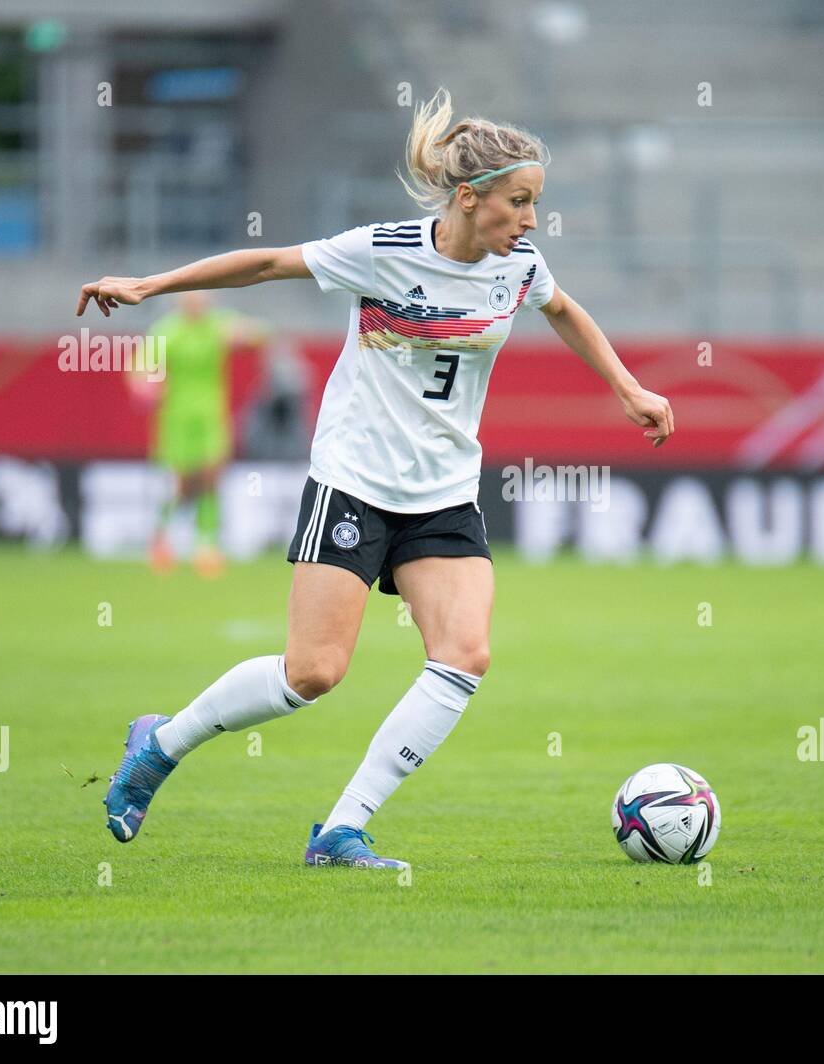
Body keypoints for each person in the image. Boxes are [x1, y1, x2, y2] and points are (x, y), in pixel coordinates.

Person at [76, 87, 674, 869]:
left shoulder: (517, 264)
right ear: (469, 197)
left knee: (464, 655)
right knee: (312, 673)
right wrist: (151, 286)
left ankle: (340, 831)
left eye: (535, 205)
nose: (531, 222)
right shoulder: (383, 251)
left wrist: (627, 386)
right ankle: (160, 744)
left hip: (445, 493)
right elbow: (265, 263)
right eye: (520, 203)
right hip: (354, 480)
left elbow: (562, 308)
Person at [128, 290, 268, 577]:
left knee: (210, 478)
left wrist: (246, 333)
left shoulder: (217, 325)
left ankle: (206, 544)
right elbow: (140, 370)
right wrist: (146, 384)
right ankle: (161, 538)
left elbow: (263, 334)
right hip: (176, 419)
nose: (197, 301)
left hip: (211, 418)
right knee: (180, 483)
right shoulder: (167, 330)